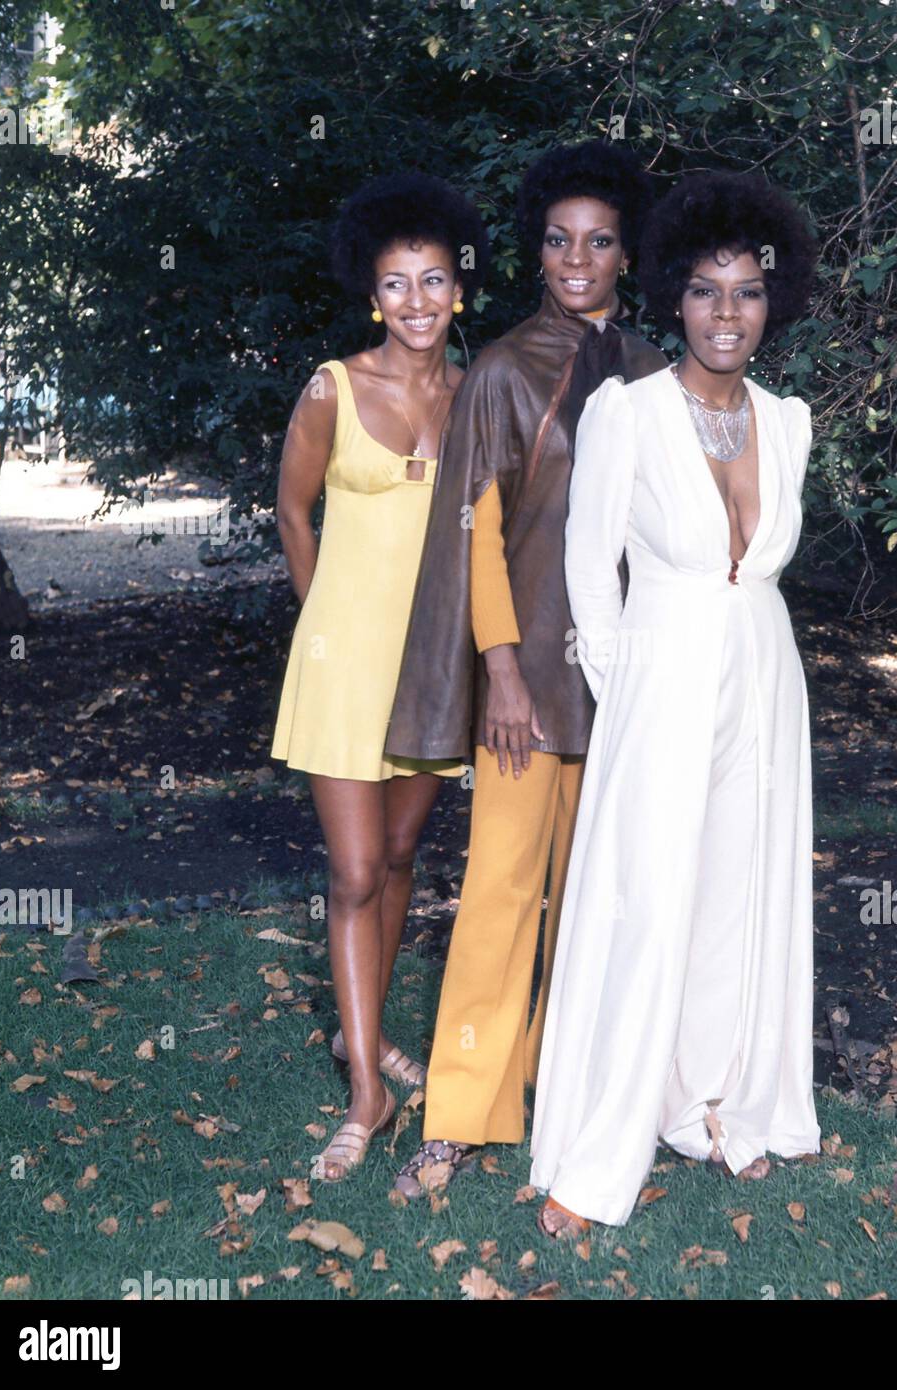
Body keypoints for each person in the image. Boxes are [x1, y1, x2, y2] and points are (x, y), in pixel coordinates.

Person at [529, 170, 822, 1235]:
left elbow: (758, 572)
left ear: (769, 302)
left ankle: (709, 1106)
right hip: (659, 677)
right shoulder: (627, 412)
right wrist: (630, 688)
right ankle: (595, 1150)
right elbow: (581, 563)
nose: (727, 314)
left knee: (735, 899)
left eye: (746, 292)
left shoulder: (788, 423)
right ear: (672, 297)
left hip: (762, 675)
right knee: (645, 909)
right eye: (705, 291)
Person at [386, 140, 667, 1197]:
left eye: (597, 242)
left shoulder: (657, 371)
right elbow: (476, 530)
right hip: (530, 684)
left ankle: (579, 1101)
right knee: (500, 895)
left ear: (627, 253)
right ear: (535, 250)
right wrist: (500, 673)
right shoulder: (503, 369)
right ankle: (459, 1111)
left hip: (632, 681)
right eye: (557, 241)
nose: (576, 260)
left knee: (602, 901)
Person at [270, 173, 488, 1180]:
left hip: (438, 667)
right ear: (372, 294)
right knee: (355, 870)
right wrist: (320, 619)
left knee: (400, 858)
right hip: (345, 663)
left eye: (432, 280)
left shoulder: (478, 392)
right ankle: (366, 1088)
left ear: (457, 289)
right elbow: (293, 508)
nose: (414, 301)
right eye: (395, 283)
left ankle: (364, 1030)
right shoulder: (332, 386)